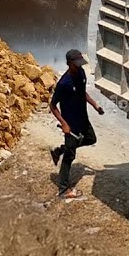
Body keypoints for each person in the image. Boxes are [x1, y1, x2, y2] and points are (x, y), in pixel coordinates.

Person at [49, 49, 103, 198]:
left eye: (80, 63)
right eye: (76, 64)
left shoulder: (81, 74)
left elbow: (82, 92)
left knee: (91, 139)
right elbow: (52, 106)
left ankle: (60, 150)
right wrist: (64, 124)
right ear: (68, 63)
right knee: (69, 157)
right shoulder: (64, 83)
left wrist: (94, 105)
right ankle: (63, 189)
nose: (79, 66)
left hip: (83, 119)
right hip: (71, 124)